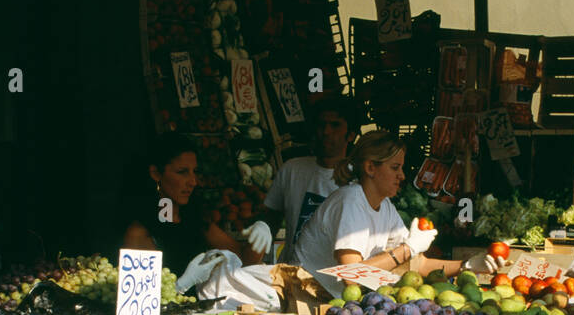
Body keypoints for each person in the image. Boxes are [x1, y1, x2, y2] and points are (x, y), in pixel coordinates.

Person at [293, 130, 499, 294]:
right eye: (395, 168)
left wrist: (467, 265)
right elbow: (352, 275)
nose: (401, 175)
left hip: (337, 302)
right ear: (370, 168)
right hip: (307, 300)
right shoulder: (350, 201)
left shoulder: (385, 207)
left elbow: (417, 264)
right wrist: (407, 249)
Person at [119, 133, 268, 293]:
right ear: (156, 174)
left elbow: (242, 259)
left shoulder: (195, 220)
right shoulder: (139, 234)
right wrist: (181, 285)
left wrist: (261, 236)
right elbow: (140, 301)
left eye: (194, 172)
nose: (193, 182)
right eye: (182, 172)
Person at [253, 94, 360, 263]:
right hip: (289, 275)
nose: (326, 132)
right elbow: (270, 220)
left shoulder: (359, 180)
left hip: (333, 282)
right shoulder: (292, 169)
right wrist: (258, 260)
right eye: (321, 125)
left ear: (351, 135)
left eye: (335, 125)